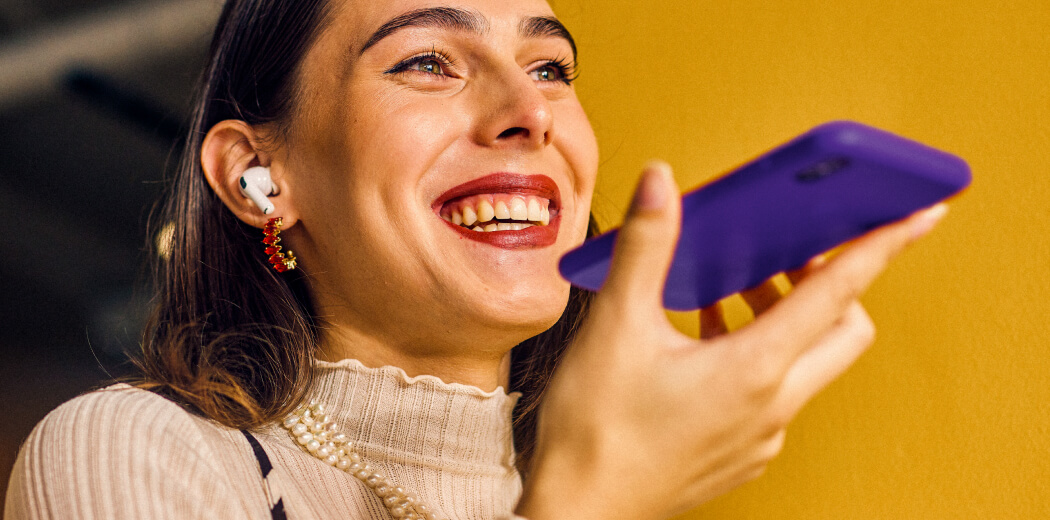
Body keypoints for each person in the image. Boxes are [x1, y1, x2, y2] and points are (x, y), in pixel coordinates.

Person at [3, 0, 948, 519]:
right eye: (427, 61)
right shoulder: (128, 453)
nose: (529, 111)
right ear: (259, 175)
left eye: (550, 68)